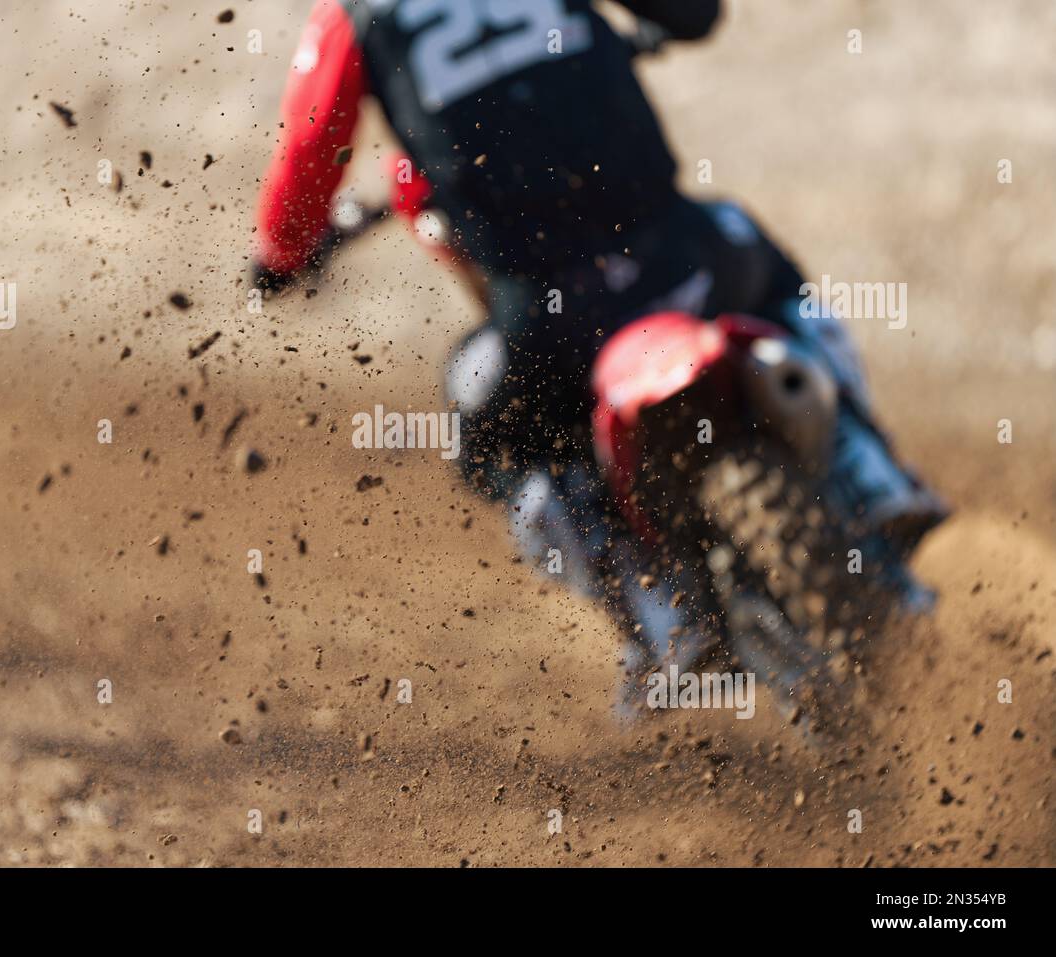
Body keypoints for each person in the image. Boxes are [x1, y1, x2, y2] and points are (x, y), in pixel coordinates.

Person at [250, 0, 946, 681]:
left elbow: (309, 148)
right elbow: (695, 14)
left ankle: (661, 618)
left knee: (488, 435)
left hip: (548, 317)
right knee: (772, 282)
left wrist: (280, 256)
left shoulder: (355, 16)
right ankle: (867, 474)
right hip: (683, 254)